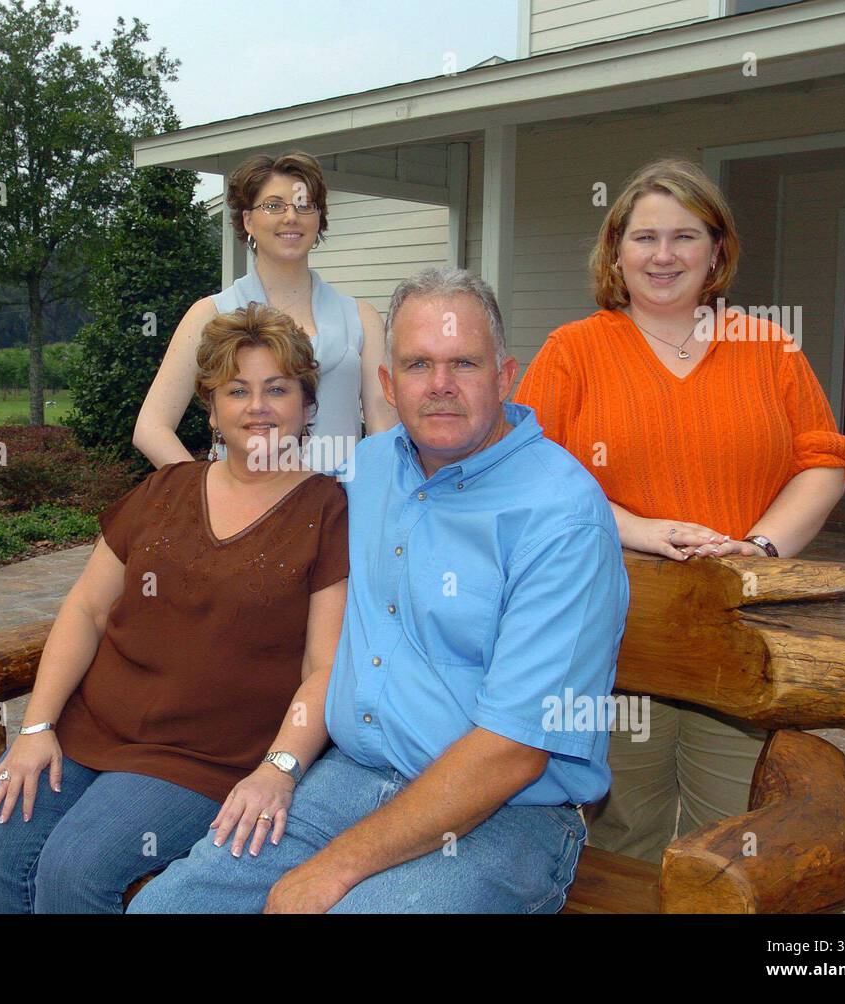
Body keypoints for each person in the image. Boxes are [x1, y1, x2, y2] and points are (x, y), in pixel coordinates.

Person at [128, 267, 629, 914]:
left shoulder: (561, 516)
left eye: (464, 364)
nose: (441, 386)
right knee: (163, 909)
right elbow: (262, 538)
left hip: (503, 815)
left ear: (505, 378)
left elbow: (512, 753)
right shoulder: (362, 472)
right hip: (347, 780)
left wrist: (330, 872)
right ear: (388, 385)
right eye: (418, 364)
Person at [512, 158, 845, 865]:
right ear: (615, 251)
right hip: (615, 627)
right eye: (643, 238)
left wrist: (760, 548)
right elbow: (530, 479)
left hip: (741, 626)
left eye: (684, 237)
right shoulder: (573, 352)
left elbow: (822, 459)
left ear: (717, 250)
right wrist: (639, 531)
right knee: (622, 831)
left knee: (735, 834)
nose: (662, 255)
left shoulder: (770, 348)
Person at [0, 303, 350, 912]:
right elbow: (85, 609)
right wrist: (36, 727)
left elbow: (324, 668)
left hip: (204, 758)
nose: (258, 407)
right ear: (212, 408)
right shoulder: (164, 489)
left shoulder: (327, 511)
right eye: (236, 390)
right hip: (93, 727)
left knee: (75, 869)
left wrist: (280, 767)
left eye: (278, 389)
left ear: (306, 405)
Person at [133, 151, 398, 473]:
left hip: (339, 509)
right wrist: (205, 495)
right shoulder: (211, 314)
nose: (291, 217)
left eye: (304, 205)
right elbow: (151, 427)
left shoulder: (361, 318)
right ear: (247, 220)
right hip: (244, 514)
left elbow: (385, 427)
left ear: (319, 219)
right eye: (273, 205)